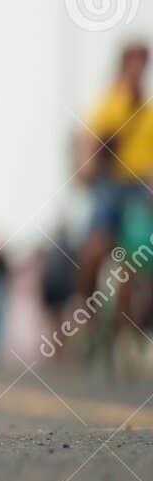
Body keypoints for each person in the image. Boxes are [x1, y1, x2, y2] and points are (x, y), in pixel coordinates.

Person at [74, 41, 153, 298]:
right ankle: (87, 308)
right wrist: (85, 168)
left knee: (129, 262)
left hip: (138, 187)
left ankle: (121, 329)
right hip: (109, 185)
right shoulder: (109, 102)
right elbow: (90, 138)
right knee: (95, 250)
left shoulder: (148, 110)